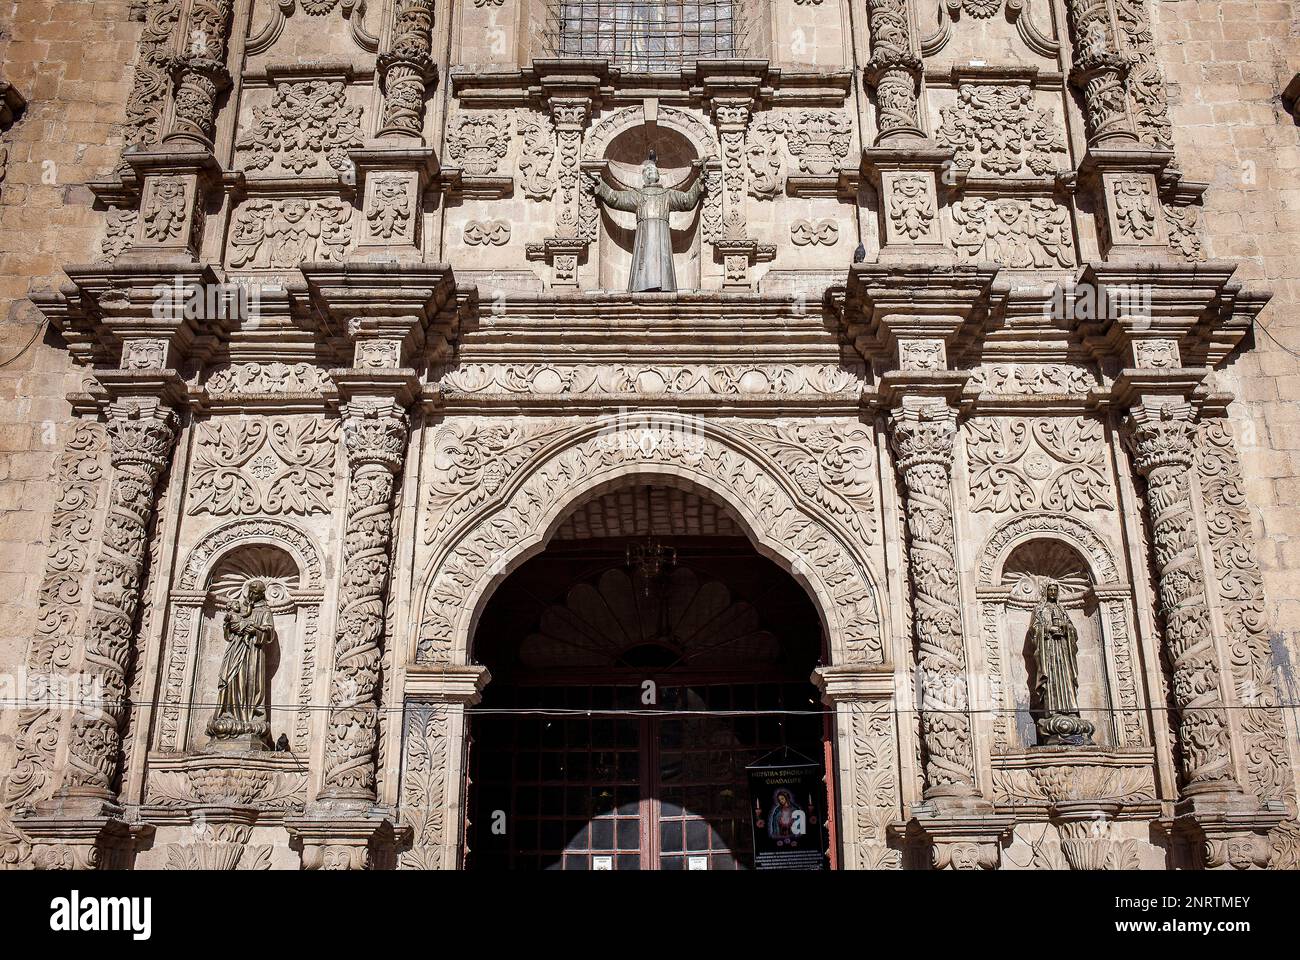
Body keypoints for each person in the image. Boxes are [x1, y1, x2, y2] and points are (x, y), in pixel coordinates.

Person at [588, 150, 706, 293]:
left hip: (662, 236)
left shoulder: (667, 194)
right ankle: (642, 284)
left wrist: (699, 181)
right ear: (644, 177)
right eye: (648, 169)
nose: (652, 171)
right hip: (644, 235)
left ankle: (664, 285)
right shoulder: (637, 195)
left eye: (654, 169)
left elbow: (687, 201)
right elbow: (615, 198)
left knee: (662, 262)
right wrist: (601, 186)